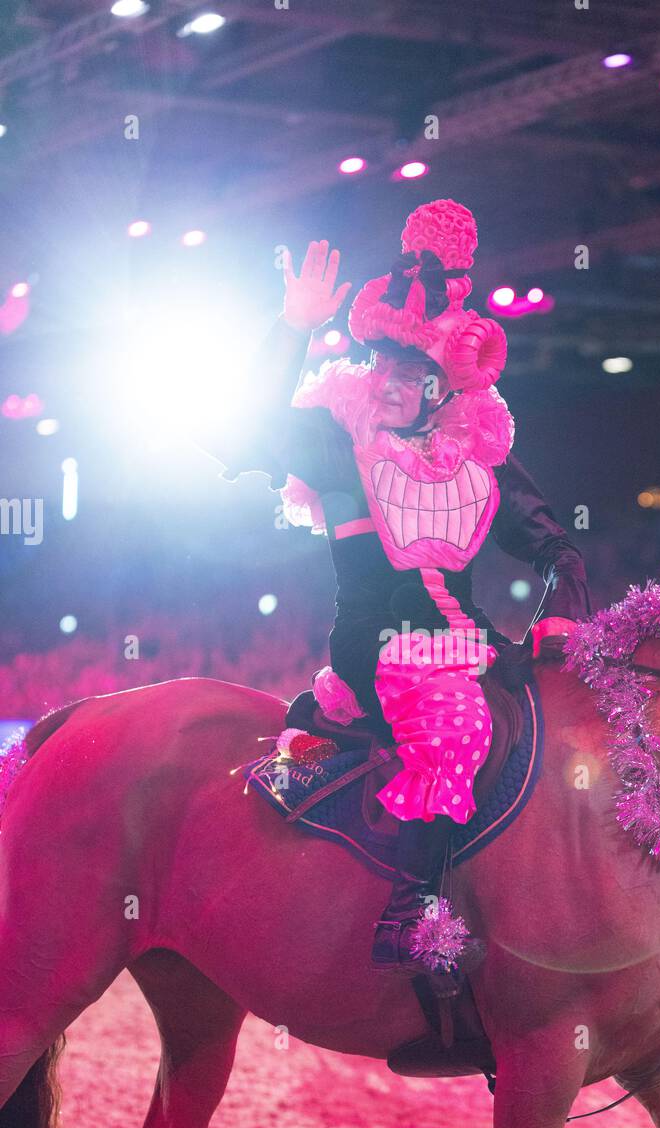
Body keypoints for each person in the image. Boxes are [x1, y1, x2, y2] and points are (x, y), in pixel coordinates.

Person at [199, 200, 590, 985]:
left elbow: (559, 550)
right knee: (452, 727)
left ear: (445, 388)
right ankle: (416, 913)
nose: (389, 384)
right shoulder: (336, 442)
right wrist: (293, 329)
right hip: (375, 643)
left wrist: (559, 622)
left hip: (474, 643)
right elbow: (232, 437)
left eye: (413, 373)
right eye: (382, 366)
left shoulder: (476, 461)